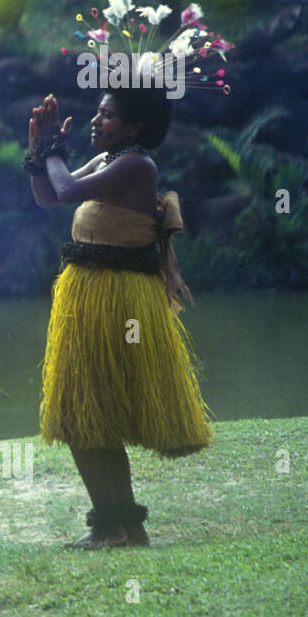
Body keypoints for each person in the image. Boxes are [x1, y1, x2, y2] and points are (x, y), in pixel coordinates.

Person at [25, 90, 211, 548]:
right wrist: (39, 152)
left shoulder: (136, 165)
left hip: (116, 298)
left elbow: (66, 187)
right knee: (91, 416)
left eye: (107, 114)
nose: (95, 119)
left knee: (83, 413)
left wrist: (54, 151)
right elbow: (50, 196)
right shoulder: (113, 157)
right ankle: (125, 526)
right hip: (94, 293)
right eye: (99, 111)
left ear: (134, 127)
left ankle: (112, 526)